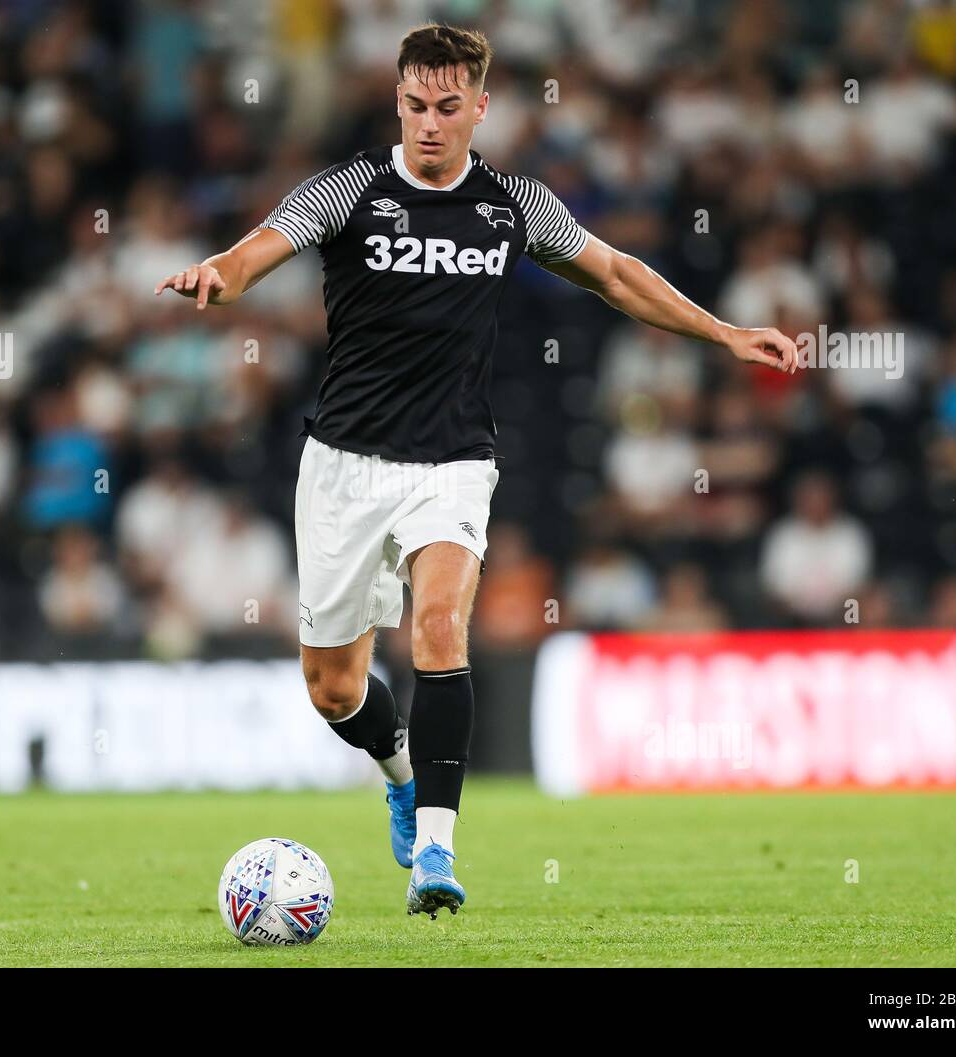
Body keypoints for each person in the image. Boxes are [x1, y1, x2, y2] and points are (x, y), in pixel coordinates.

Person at [156, 22, 796, 919]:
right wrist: (220, 276)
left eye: (447, 107)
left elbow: (613, 273)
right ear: (398, 103)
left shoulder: (512, 205)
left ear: (480, 109)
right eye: (415, 105)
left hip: (453, 459)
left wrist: (725, 331)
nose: (428, 123)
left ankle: (436, 854)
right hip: (342, 465)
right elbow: (261, 245)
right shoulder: (351, 191)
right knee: (332, 688)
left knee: (441, 630)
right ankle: (400, 776)